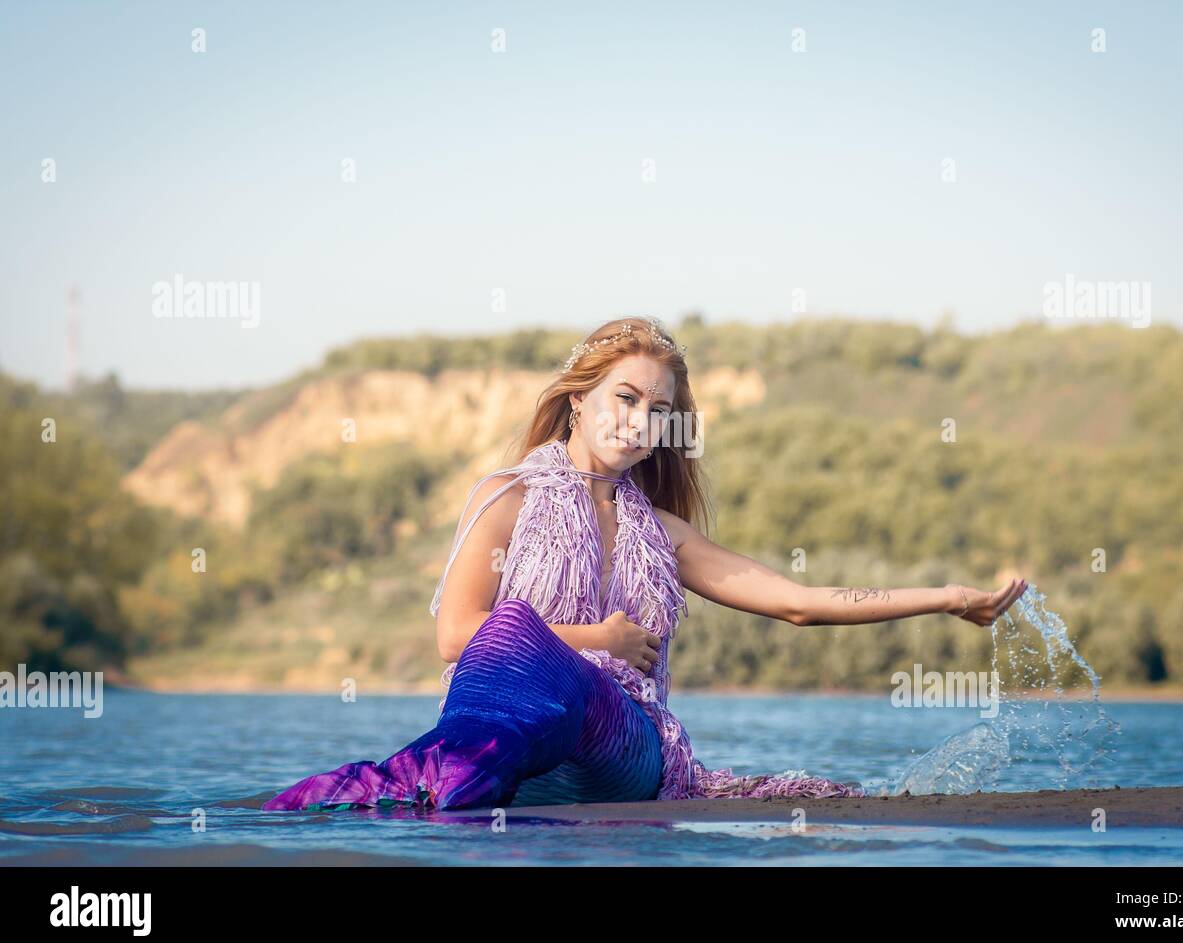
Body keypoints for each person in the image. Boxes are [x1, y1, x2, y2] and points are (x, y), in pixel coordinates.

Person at [262, 316, 1026, 812]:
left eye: (659, 412)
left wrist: (950, 596)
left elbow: (798, 600)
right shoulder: (507, 498)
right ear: (578, 402)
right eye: (625, 398)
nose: (641, 422)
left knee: (531, 651)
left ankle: (414, 792)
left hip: (627, 749)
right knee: (505, 656)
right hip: (517, 731)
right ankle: (388, 793)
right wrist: (600, 636)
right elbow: (456, 636)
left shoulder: (660, 532)